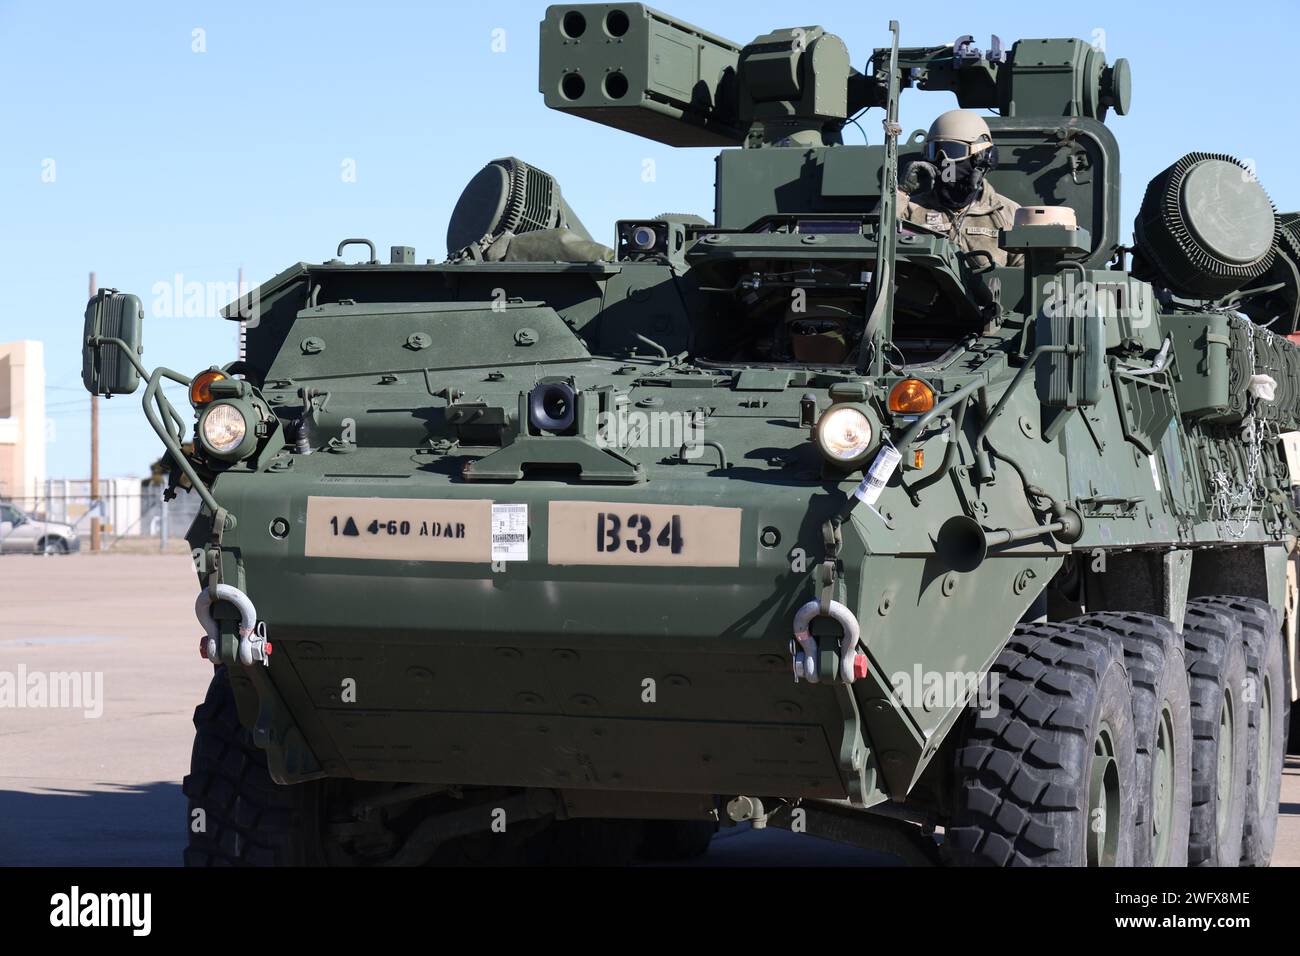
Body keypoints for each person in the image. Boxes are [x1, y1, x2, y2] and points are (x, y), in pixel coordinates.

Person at [897, 109, 1023, 268]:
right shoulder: (911, 209)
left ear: (983, 158)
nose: (942, 159)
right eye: (934, 151)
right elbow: (873, 244)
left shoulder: (1009, 214)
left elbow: (1024, 275)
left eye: (953, 151)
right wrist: (901, 192)